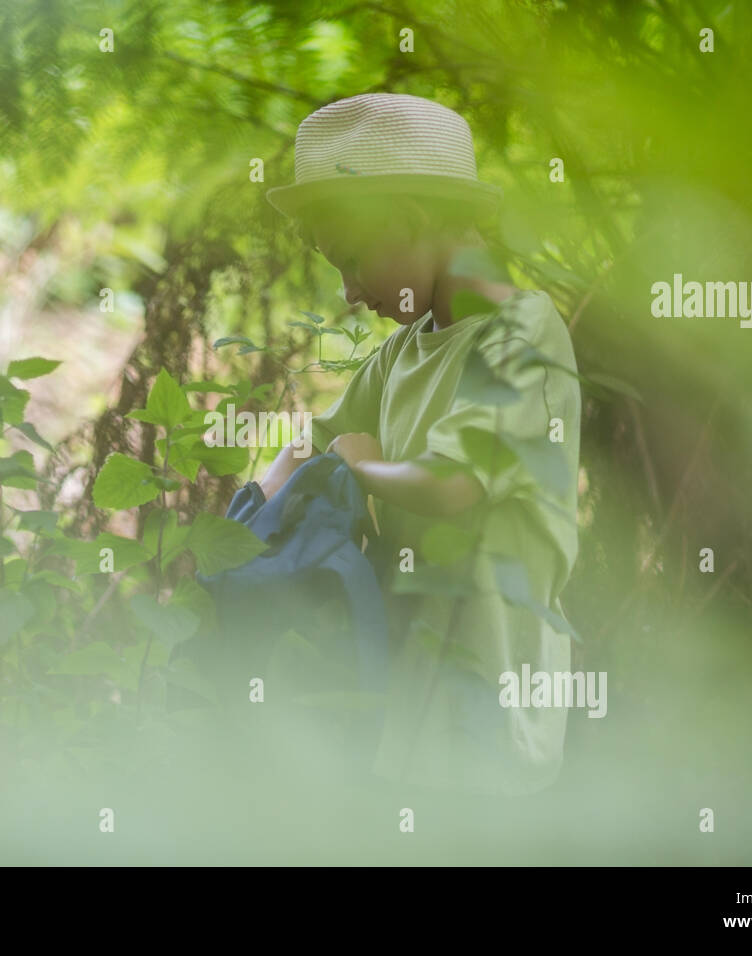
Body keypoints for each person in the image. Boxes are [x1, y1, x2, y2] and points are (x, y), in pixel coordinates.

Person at [261, 92, 582, 794]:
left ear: (407, 222)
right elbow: (310, 445)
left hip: (493, 710)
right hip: (408, 714)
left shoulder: (519, 331)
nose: (347, 292)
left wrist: (364, 464)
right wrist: (255, 504)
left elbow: (453, 484)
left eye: (352, 260)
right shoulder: (401, 354)